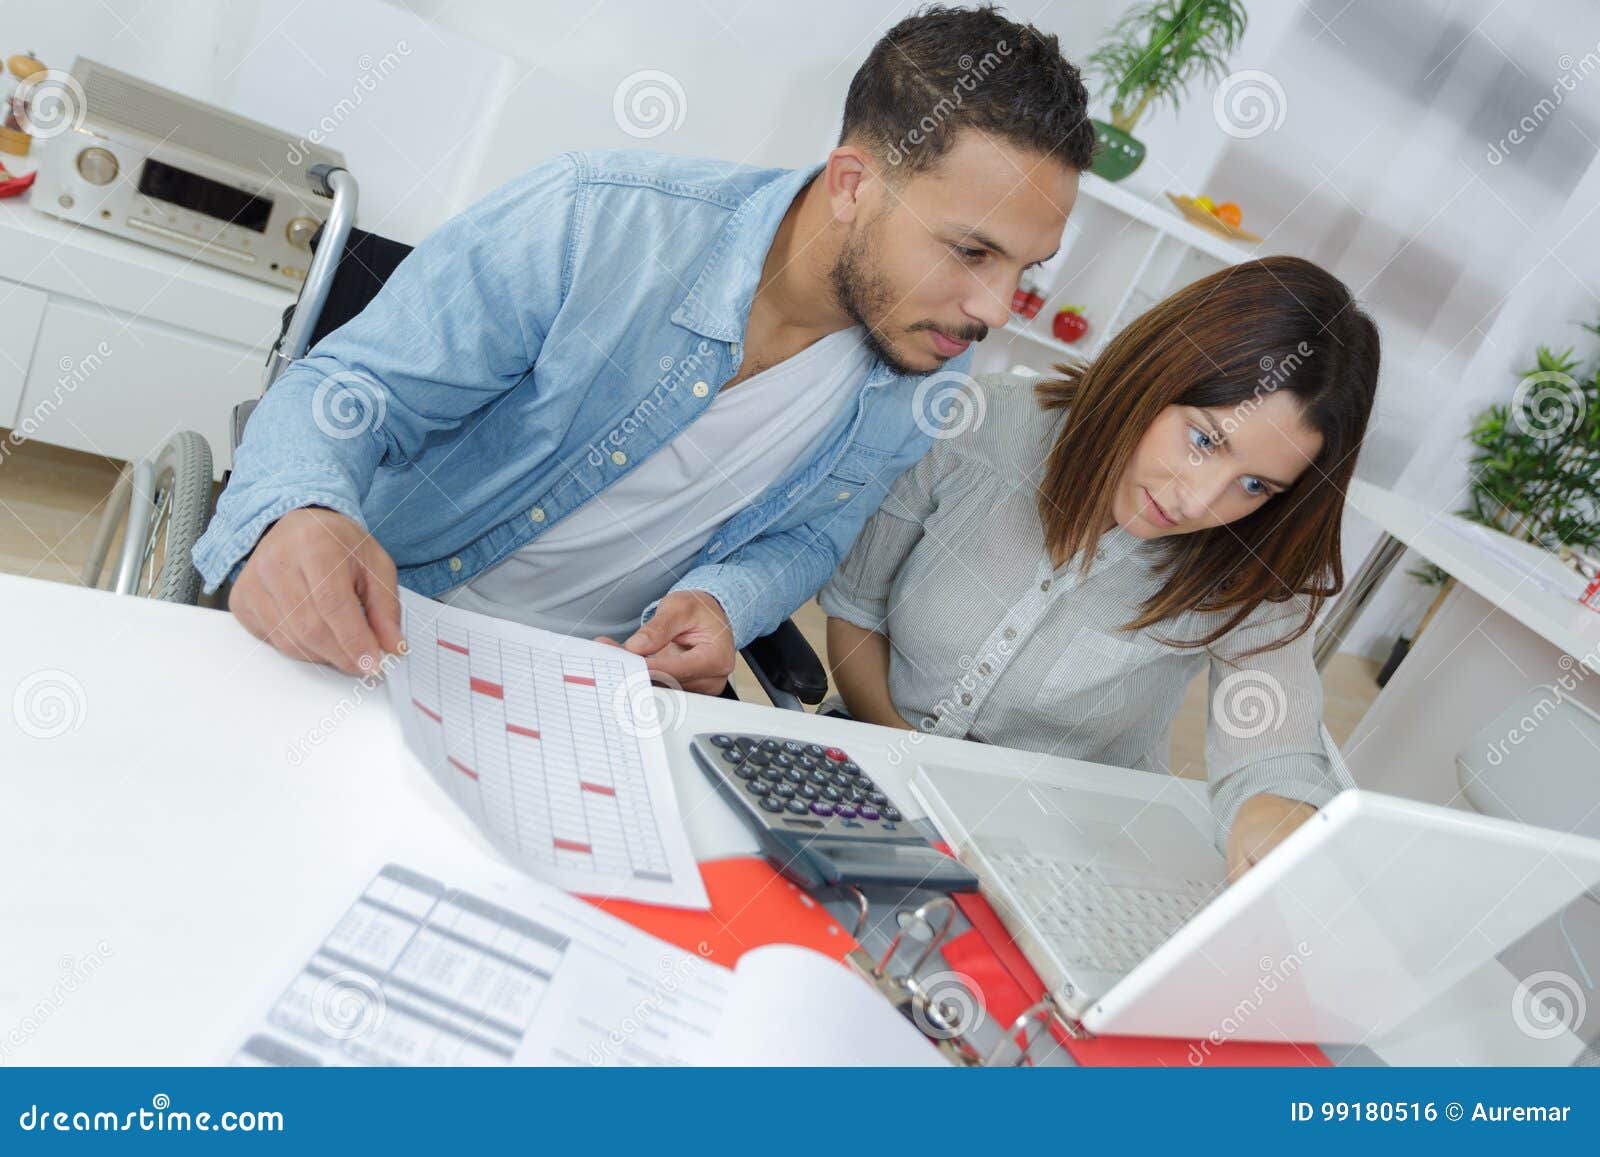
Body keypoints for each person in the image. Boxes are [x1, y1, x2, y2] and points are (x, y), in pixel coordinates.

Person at [194, 5, 1096, 694]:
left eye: (1025, 269)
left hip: (590, 692)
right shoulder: (594, 221)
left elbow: (811, 535)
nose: (991, 309)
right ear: (854, 182)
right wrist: (297, 512)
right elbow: (351, 391)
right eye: (972, 250)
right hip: (374, 627)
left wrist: (726, 603)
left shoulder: (930, 357)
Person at [820, 256, 1382, 877]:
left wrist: (1275, 806)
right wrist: (905, 755)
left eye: (1254, 484)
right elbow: (856, 606)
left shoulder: (1249, 566)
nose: (1196, 500)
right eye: (1203, 440)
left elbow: (1275, 747)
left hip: (1054, 856)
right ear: (1155, 374)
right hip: (865, 768)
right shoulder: (988, 422)